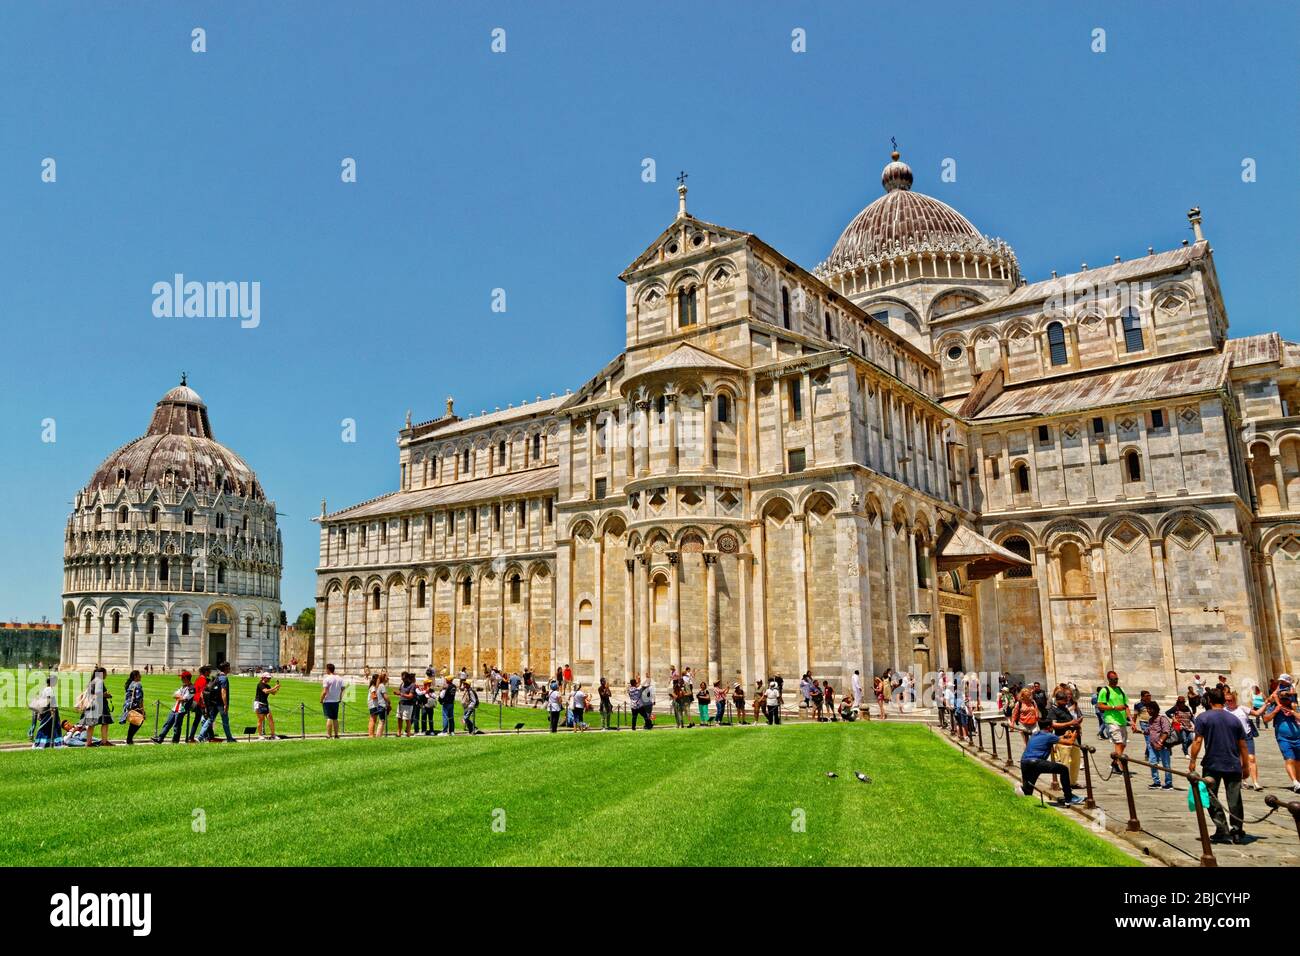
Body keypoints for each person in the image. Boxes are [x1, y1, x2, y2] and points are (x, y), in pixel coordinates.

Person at [1188, 687, 1250, 844]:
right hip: (1233, 764)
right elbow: (1243, 745)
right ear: (1223, 701)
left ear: (1209, 701)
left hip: (1212, 764)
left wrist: (1193, 760)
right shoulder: (1234, 719)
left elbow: (1197, 741)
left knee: (1210, 795)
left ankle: (1222, 828)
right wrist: (1246, 766)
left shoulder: (1203, 718)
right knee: (1235, 799)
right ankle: (1237, 830)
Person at [1019, 728, 1083, 805]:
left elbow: (1056, 738)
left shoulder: (1035, 734)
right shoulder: (1049, 736)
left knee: (1027, 791)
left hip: (1024, 762)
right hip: (1037, 763)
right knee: (1064, 769)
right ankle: (1069, 798)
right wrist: (1074, 736)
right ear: (1049, 727)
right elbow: (1070, 742)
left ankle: (1021, 798)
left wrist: (1064, 735)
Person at [1259, 675, 1300, 793]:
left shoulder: (1294, 706)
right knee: (1289, 759)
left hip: (1298, 737)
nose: (1285, 700)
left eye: (1287, 698)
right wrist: (1276, 710)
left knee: (1298, 761)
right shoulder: (1275, 706)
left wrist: (1292, 712)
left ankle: (1298, 782)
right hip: (1283, 738)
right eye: (1284, 698)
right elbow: (1266, 719)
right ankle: (1295, 782)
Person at [1224, 689, 1261, 791]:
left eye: (1230, 700)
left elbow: (1257, 713)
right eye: (1226, 700)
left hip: (1247, 736)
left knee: (1251, 758)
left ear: (1235, 700)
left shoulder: (1242, 708)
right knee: (1239, 760)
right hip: (1233, 738)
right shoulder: (1224, 711)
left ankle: (1255, 782)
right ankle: (1243, 780)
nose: (1228, 702)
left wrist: (1266, 704)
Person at [1096, 670, 1131, 765]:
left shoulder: (1121, 690)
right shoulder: (1104, 690)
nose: (1115, 681)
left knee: (1123, 744)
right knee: (1118, 742)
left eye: (1116, 679)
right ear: (1108, 679)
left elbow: (1125, 706)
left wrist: (1132, 720)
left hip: (1122, 720)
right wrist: (1114, 707)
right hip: (1111, 720)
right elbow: (1099, 706)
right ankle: (1120, 764)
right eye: (1113, 679)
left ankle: (1115, 763)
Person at [151, 671, 194, 744]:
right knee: (167, 724)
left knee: (177, 726)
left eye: (182, 678)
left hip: (181, 709)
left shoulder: (192, 688)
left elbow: (184, 699)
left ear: (186, 678)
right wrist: (180, 697)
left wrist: (180, 697)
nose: (181, 679)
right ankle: (160, 739)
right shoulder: (183, 686)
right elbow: (174, 695)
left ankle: (175, 741)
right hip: (175, 708)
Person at [1142, 701, 1173, 789]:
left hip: (1163, 746)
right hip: (1152, 746)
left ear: (1155, 709)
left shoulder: (1162, 719)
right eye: (1147, 709)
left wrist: (1160, 742)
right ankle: (1156, 782)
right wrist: (1138, 731)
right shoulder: (1151, 720)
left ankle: (1169, 783)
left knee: (1166, 765)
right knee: (1152, 763)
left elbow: (1166, 731)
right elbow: (1149, 731)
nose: (1148, 711)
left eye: (1150, 709)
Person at [81, 666, 113, 746]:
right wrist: (107, 695)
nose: (106, 675)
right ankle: (104, 741)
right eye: (105, 673)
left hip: (91, 705)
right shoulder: (99, 681)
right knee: (105, 723)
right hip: (99, 705)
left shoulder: (93, 681)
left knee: (91, 725)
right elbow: (98, 693)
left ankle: (88, 743)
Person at [212, 661, 238, 742]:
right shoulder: (224, 678)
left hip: (214, 702)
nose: (230, 669)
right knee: (225, 721)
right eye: (229, 667)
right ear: (226, 668)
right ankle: (229, 738)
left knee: (210, 720)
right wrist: (225, 704)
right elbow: (223, 692)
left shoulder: (217, 677)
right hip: (221, 704)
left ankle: (202, 736)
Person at [320, 663, 345, 739]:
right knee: (335, 718)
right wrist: (340, 697)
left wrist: (321, 699)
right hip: (336, 700)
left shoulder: (327, 679)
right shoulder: (340, 678)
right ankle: (336, 734)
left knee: (329, 718)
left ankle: (328, 734)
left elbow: (324, 691)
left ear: (328, 669)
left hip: (328, 700)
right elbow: (343, 689)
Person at [120, 670, 145, 745]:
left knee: (133, 722)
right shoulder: (138, 684)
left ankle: (129, 739)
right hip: (135, 706)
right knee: (139, 721)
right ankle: (129, 739)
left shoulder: (130, 684)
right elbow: (139, 699)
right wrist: (142, 710)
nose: (141, 676)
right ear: (135, 676)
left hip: (128, 705)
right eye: (139, 674)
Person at [254, 672, 281, 739]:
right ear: (264, 678)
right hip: (259, 703)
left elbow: (274, 693)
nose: (269, 679)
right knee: (261, 719)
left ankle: (273, 735)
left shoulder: (268, 685)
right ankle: (260, 735)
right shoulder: (260, 684)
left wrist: (277, 688)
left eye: (270, 678)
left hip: (265, 704)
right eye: (268, 678)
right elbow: (266, 691)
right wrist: (275, 687)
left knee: (270, 719)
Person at [188, 666, 209, 743]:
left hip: (195, 701)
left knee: (197, 720)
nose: (210, 672)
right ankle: (205, 737)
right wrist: (205, 705)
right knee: (207, 719)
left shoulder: (198, 679)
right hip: (200, 703)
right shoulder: (203, 680)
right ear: (205, 672)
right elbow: (202, 694)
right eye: (208, 671)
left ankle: (192, 736)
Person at [397, 672, 417, 737]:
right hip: (401, 703)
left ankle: (408, 733)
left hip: (408, 704)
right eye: (402, 678)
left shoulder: (412, 685)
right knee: (399, 718)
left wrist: (401, 694)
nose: (403, 680)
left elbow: (410, 696)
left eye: (404, 678)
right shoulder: (402, 684)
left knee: (407, 719)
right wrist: (399, 694)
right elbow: (400, 691)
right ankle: (399, 732)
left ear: (408, 678)